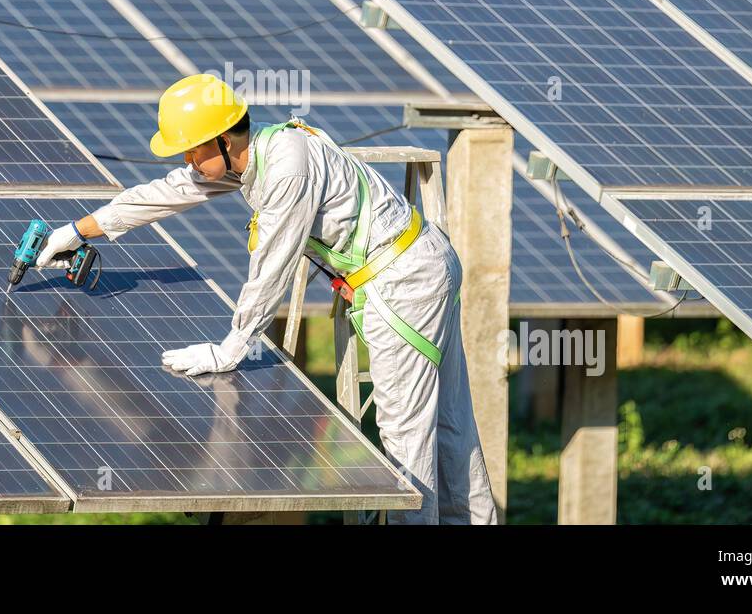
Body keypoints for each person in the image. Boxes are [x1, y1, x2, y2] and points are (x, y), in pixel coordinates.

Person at [34, 73, 497, 524]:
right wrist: (76, 231)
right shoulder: (255, 157)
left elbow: (271, 267)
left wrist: (232, 347)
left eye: (193, 149)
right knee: (452, 425)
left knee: (405, 437)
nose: (189, 161)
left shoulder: (286, 170)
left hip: (404, 281)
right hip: (418, 262)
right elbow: (165, 194)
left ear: (224, 140)